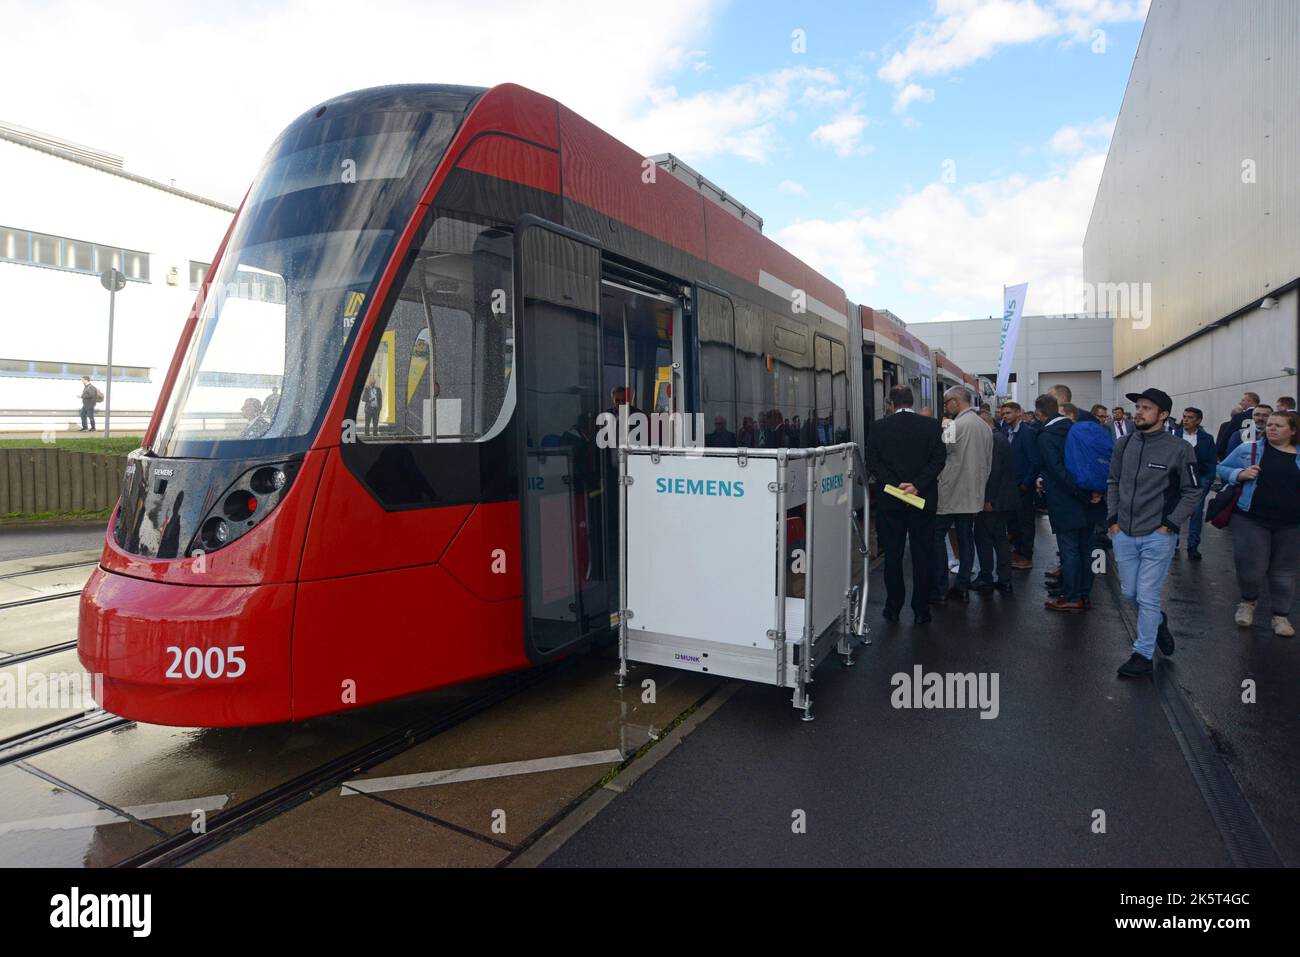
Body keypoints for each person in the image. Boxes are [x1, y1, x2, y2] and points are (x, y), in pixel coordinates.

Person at [1107, 388, 1203, 677]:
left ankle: (1142, 654)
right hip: (1123, 533)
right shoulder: (1123, 444)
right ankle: (1158, 621)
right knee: (1130, 593)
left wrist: (1170, 525)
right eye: (1137, 407)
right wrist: (1113, 521)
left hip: (1157, 536)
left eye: (1146, 408)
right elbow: (1113, 481)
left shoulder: (1179, 449)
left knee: (1147, 596)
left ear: (1163, 415)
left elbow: (1193, 491)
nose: (1138, 412)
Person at [865, 385, 947, 624]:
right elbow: (938, 460)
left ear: (891, 403)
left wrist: (897, 485)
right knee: (923, 555)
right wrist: (917, 485)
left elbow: (873, 462)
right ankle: (921, 610)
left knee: (893, 555)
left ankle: (893, 608)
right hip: (923, 500)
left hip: (891, 500)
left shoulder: (879, 427)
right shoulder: (932, 426)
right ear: (912, 402)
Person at [1216, 410, 1300, 637]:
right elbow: (1221, 468)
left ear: (1292, 430)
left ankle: (1280, 617)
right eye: (1270, 424)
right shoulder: (1249, 450)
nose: (1271, 428)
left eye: (1278, 425)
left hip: (1291, 524)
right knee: (1251, 567)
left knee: (1284, 573)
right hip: (1250, 518)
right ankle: (1247, 602)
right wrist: (1240, 474)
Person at [1036, 393, 1103, 612]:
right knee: (1087, 549)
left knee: (1070, 550)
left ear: (1040, 414)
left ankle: (1073, 596)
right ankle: (1084, 594)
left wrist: (1078, 494)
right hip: (1091, 498)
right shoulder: (1077, 428)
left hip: (1067, 501)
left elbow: (1057, 471)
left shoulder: (1047, 435)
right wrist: (1091, 493)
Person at [930, 386, 991, 605]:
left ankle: (940, 589)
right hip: (972, 495)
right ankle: (962, 586)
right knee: (966, 539)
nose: (945, 407)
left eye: (947, 402)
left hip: (950, 493)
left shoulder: (956, 426)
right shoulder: (984, 427)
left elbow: (940, 453)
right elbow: (987, 463)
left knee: (937, 537)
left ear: (956, 401)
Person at [972, 410, 1017, 593]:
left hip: (994, 501)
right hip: (1003, 500)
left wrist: (987, 499)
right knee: (1000, 539)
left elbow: (993, 472)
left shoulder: (992, 441)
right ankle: (1004, 579)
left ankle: (986, 577)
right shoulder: (1000, 438)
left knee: (983, 538)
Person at [1171, 407, 1216, 560]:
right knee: (1175, 510)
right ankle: (1173, 542)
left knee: (1196, 512)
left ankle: (1193, 545)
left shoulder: (1207, 439)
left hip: (1199, 479)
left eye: (1190, 417)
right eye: (1184, 416)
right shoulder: (1173, 436)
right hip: (1177, 479)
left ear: (1198, 420)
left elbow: (1211, 461)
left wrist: (1208, 479)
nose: (1186, 420)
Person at [1002, 402, 1040, 570]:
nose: (1004, 416)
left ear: (1019, 413)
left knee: (1025, 522)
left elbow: (1035, 461)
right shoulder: (1006, 431)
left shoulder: (1028, 433)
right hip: (1009, 486)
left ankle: (1026, 555)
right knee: (1013, 521)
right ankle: (1017, 551)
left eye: (1008, 413)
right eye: (1003, 413)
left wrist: (1026, 483)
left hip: (1023, 486)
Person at [1217, 391, 1260, 458]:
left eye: (1243, 400)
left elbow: (1228, 435)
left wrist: (1219, 454)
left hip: (1241, 454)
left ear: (1250, 401)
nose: (1240, 403)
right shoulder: (1268, 416)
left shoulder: (1239, 416)